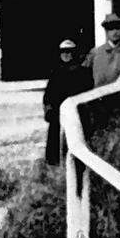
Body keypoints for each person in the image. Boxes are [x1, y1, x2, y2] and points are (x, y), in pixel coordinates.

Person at [42, 39, 88, 168]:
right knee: (55, 140)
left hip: (75, 113)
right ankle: (54, 164)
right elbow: (48, 95)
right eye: (63, 52)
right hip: (57, 114)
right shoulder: (56, 72)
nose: (66, 55)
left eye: (69, 52)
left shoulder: (82, 72)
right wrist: (49, 108)